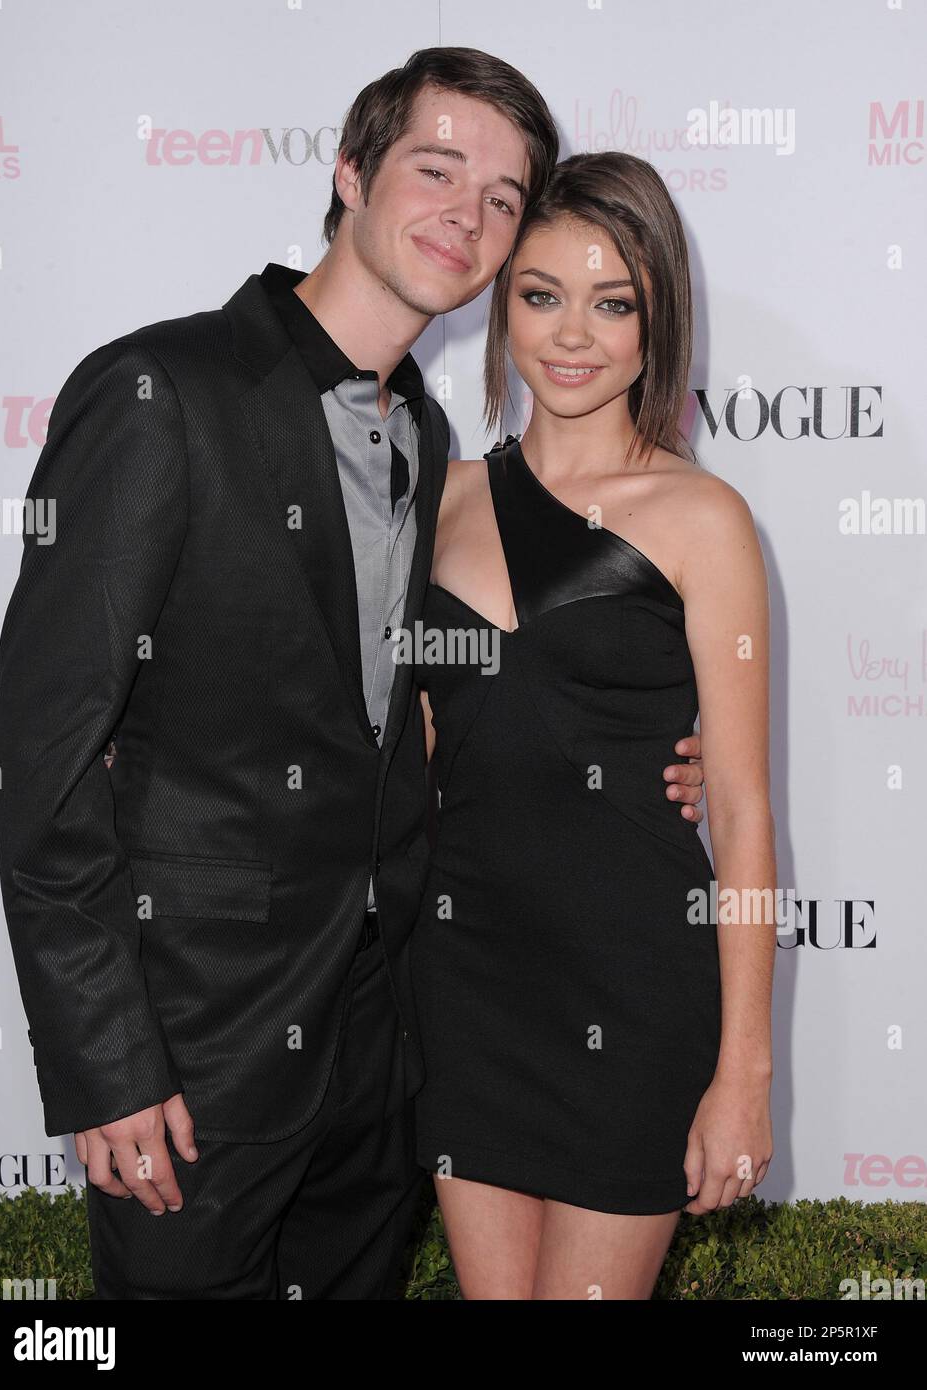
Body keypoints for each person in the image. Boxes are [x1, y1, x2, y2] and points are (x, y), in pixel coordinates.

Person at [0, 52, 706, 1299]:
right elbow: (42, 764)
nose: (467, 214)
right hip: (195, 1056)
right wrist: (106, 1062)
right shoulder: (165, 391)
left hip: (390, 1052)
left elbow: (431, 711)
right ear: (352, 173)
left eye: (501, 198)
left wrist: (667, 767)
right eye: (438, 170)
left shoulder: (429, 438)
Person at [408, 151, 776, 1300]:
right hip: (466, 982)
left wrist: (746, 1071)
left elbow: (743, 812)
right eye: (541, 295)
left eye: (613, 303)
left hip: (632, 983)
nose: (573, 334)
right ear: (500, 305)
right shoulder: (437, 498)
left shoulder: (703, 517)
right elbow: (407, 753)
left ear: (657, 321)